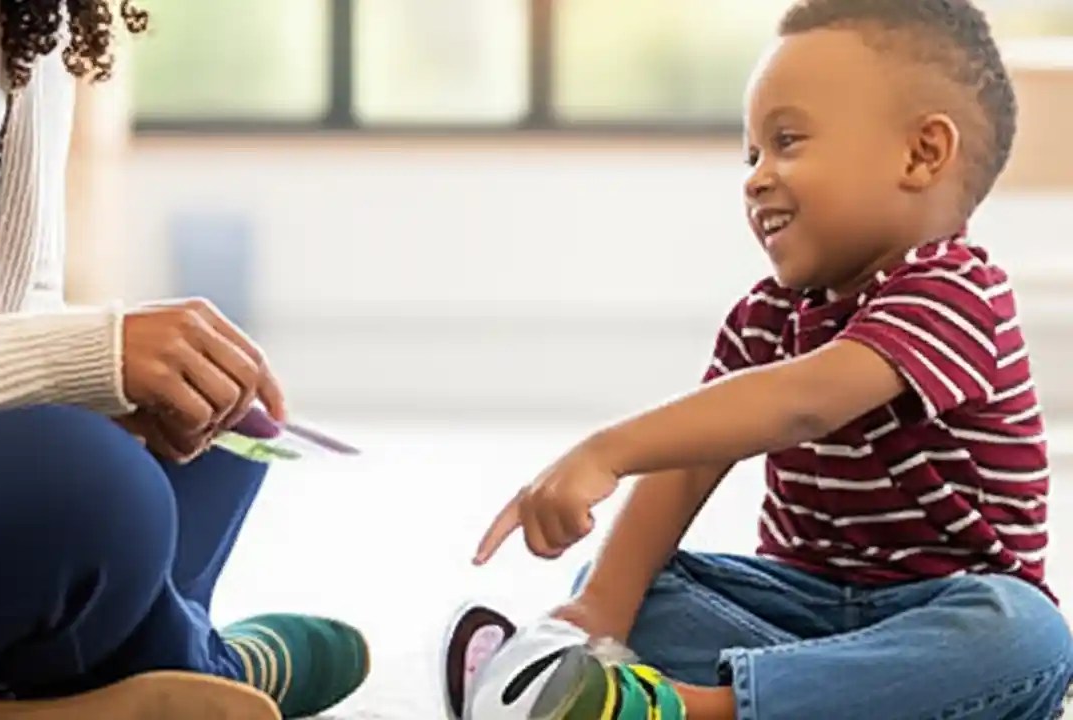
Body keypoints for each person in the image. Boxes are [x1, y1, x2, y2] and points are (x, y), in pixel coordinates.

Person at [445, 1, 1073, 718]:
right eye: (751, 154)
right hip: (794, 619)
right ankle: (579, 682)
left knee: (1028, 636)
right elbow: (685, 471)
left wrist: (606, 449)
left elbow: (806, 397)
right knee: (636, 581)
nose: (756, 177)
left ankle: (690, 709)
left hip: (941, 618)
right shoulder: (766, 314)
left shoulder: (958, 292)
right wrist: (597, 611)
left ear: (921, 154)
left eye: (788, 141)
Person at [0, 1, 367, 718]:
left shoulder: (31, 21)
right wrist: (92, 356)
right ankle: (204, 666)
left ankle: (82, 693)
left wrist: (120, 382)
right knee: (92, 481)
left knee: (215, 439)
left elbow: (16, 317)